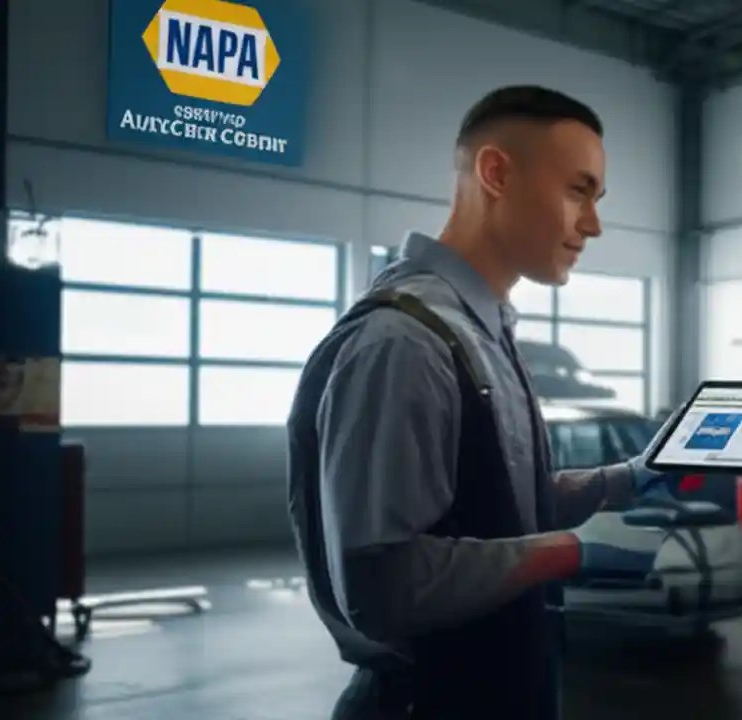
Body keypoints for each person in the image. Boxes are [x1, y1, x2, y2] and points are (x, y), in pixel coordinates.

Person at [286, 86, 670, 720]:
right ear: (496, 172)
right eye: (579, 191)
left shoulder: (481, 329)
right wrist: (571, 550)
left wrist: (624, 481)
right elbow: (384, 584)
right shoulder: (403, 342)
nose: (594, 225)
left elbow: (499, 505)